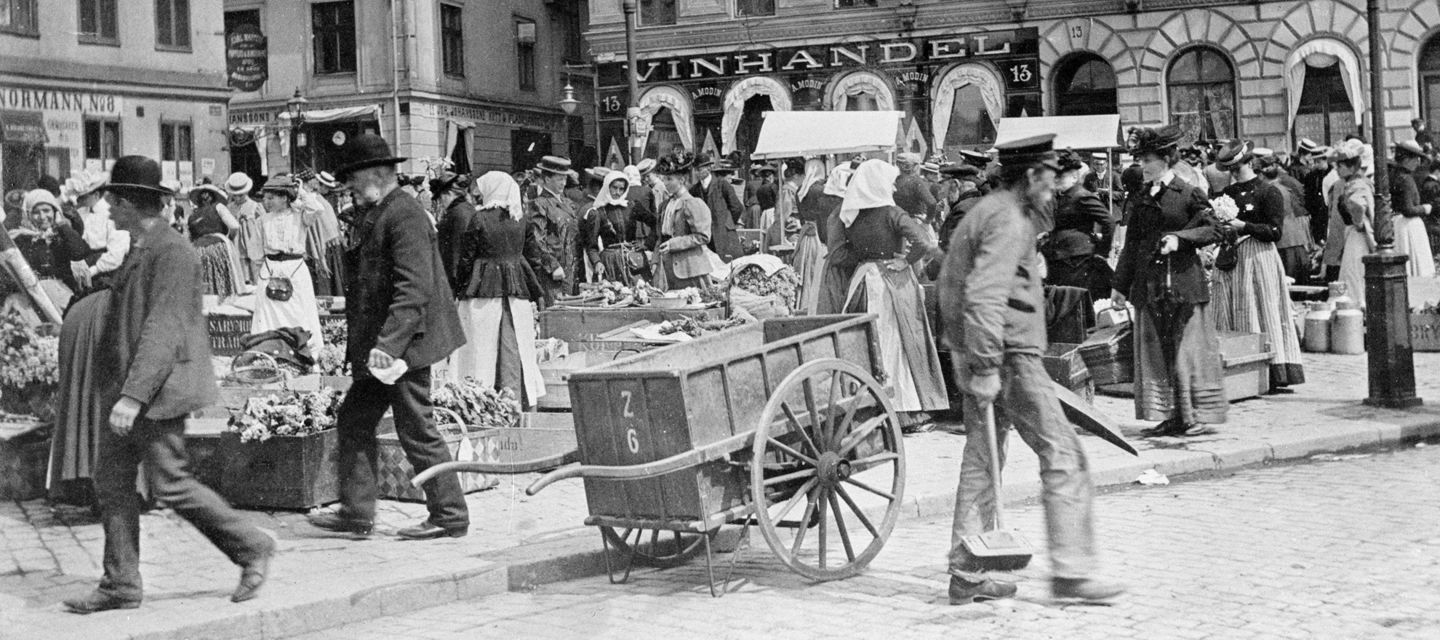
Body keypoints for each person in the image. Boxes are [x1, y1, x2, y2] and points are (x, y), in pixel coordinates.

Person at [64, 156, 275, 614]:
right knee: (112, 481)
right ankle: (120, 583)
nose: (106, 208)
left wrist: (132, 395)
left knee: (170, 482)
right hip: (130, 387)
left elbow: (164, 327)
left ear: (128, 202)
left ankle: (251, 544)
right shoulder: (144, 246)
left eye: (111, 200)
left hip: (157, 391)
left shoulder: (172, 251)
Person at [937, 133, 1122, 606]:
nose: (1054, 190)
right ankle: (1073, 571)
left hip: (980, 353)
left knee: (983, 460)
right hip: (1010, 356)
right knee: (1064, 455)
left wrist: (972, 358)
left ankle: (967, 569)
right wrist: (986, 366)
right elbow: (982, 294)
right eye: (1049, 179)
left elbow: (957, 286)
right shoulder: (1010, 219)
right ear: (1032, 176)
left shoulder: (986, 211)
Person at [307, 133, 470, 540]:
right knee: (355, 420)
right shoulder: (384, 211)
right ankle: (357, 513)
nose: (349, 186)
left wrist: (388, 346)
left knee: (416, 426)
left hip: (404, 347)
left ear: (378, 174)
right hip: (388, 346)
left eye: (354, 177)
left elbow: (413, 288)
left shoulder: (405, 215)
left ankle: (449, 514)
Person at [1112, 125, 1227, 438]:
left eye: (1147, 159)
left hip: (1184, 286)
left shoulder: (1188, 192)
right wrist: (1119, 287)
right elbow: (1132, 245)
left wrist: (1181, 238)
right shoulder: (1141, 198)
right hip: (1149, 287)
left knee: (1186, 352)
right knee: (1160, 354)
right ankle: (1172, 416)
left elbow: (1214, 229)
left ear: (1165, 159)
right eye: (1140, 160)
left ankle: (1195, 416)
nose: (1142, 166)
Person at [838, 159, 948, 416]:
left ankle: (869, 402)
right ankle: (904, 405)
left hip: (864, 278)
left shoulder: (853, 216)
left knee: (869, 338)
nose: (894, 189)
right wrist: (906, 261)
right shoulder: (892, 213)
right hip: (891, 280)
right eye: (890, 183)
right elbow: (921, 241)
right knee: (898, 337)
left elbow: (847, 249)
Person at [441, 172, 548, 408]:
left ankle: (480, 396)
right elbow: (534, 257)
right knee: (514, 340)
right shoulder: (521, 219)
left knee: (481, 344)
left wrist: (460, 289)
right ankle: (515, 396)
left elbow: (466, 259)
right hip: (515, 288)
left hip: (483, 288)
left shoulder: (479, 219)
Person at [1211, 141, 1306, 390]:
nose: (1235, 172)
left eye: (1238, 167)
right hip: (1234, 256)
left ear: (1248, 163)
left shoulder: (1268, 192)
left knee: (1263, 307)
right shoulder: (1227, 194)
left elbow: (1275, 231)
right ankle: (1241, 369)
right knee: (1236, 308)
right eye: (1232, 168)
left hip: (1260, 255)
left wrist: (1244, 226)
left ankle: (1275, 371)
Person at [251, 175, 324, 355]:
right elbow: (256, 253)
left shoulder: (301, 217)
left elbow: (317, 208)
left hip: (295, 268)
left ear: (284, 197)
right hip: (271, 269)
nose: (267, 202)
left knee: (297, 310)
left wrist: (300, 191)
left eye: (271, 198)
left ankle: (301, 352)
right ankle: (268, 351)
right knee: (268, 311)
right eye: (265, 198)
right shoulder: (263, 221)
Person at [1042, 150, 1115, 303]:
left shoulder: (1082, 196)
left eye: (1061, 176)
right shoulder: (1060, 197)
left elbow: (1108, 221)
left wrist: (1103, 252)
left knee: (1074, 302)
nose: (1056, 180)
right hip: (1060, 258)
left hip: (1078, 261)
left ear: (1075, 177)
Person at [10, 189, 88, 306]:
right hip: (32, 300)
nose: (42, 217)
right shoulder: (21, 237)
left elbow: (80, 253)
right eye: (36, 212)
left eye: (46, 210)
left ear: (55, 211)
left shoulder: (62, 235)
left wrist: (62, 225)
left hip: (63, 297)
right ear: (28, 214)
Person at [655, 150, 714, 290]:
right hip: (668, 267)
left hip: (689, 269)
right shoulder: (665, 205)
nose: (665, 183)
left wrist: (674, 243)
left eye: (669, 179)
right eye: (664, 179)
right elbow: (660, 236)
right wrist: (655, 260)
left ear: (681, 180)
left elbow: (703, 236)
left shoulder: (692, 203)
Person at [63, 170, 129, 292]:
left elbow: (116, 255)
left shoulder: (112, 214)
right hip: (83, 266)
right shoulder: (82, 212)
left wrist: (92, 271)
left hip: (105, 272)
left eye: (83, 197)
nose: (79, 200)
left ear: (96, 195)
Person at [583, 171, 652, 286]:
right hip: (611, 262)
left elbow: (655, 223)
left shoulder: (632, 206)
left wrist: (647, 244)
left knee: (642, 293)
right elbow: (591, 246)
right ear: (607, 187)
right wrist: (597, 262)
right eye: (614, 188)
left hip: (634, 259)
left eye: (621, 189)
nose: (618, 192)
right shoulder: (597, 212)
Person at [527, 156, 580, 304]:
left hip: (570, 269)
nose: (563, 183)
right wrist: (553, 266)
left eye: (564, 179)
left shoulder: (568, 203)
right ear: (547, 179)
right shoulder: (539, 204)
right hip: (552, 274)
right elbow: (537, 240)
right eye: (559, 179)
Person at [1331, 139, 1376, 308]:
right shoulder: (1357, 181)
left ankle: (1358, 307)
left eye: (1340, 166)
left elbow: (1358, 205)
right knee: (1353, 274)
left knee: (1353, 274)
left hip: (1357, 236)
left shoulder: (1356, 184)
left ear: (1351, 167)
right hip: (1353, 235)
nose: (1337, 170)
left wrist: (1358, 222)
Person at [185, 182, 244, 297]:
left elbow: (189, 238)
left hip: (198, 250)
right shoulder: (218, 207)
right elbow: (234, 226)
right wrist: (229, 238)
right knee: (223, 282)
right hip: (218, 246)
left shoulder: (192, 216)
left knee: (205, 282)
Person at [815, 162, 859, 314]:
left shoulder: (836, 206)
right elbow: (836, 252)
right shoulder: (839, 211)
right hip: (841, 270)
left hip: (842, 265)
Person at [1390, 140, 1436, 278]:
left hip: (1399, 224)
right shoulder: (1405, 179)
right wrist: (1425, 208)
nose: (1417, 162)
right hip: (1409, 225)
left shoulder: (1394, 174)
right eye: (1415, 158)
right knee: (1416, 261)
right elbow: (1408, 209)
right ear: (1406, 159)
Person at [792, 158, 830, 314]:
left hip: (805, 233)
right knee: (816, 269)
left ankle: (802, 303)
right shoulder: (821, 190)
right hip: (817, 233)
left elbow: (801, 217)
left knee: (804, 267)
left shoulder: (801, 190)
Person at [691, 153, 744, 261]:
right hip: (708, 237)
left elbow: (737, 207)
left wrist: (726, 222)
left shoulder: (722, 184)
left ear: (709, 168)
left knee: (731, 264)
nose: (697, 173)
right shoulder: (694, 190)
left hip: (725, 235)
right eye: (696, 170)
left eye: (700, 169)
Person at [224, 173, 266, 284]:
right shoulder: (229, 208)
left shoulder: (255, 206)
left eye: (240, 195)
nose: (237, 198)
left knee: (255, 272)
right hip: (236, 244)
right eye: (235, 195)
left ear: (246, 192)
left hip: (252, 244)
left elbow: (264, 225)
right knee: (240, 271)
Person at [894, 152, 939, 224]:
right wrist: (928, 220)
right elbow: (932, 203)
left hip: (896, 222)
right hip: (914, 222)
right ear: (914, 166)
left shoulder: (894, 181)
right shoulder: (916, 182)